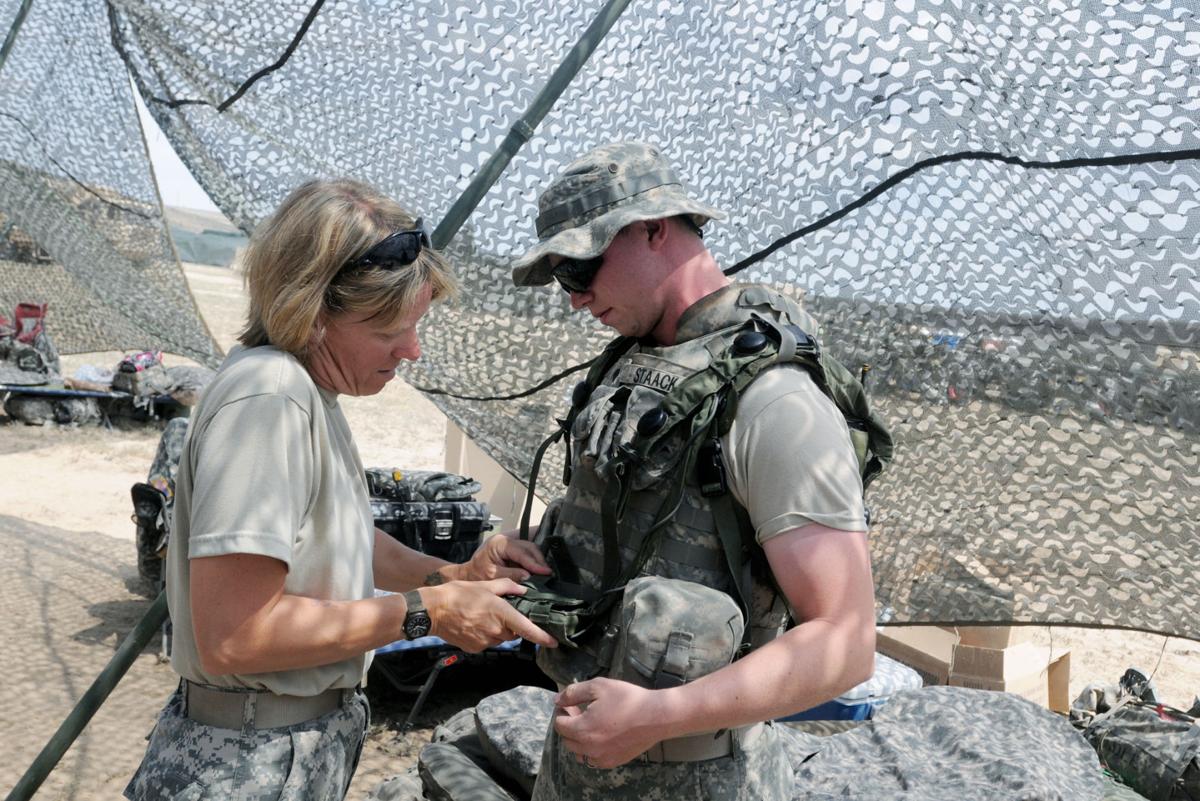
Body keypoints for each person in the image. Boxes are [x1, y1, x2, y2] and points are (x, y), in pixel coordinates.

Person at [124, 179, 557, 801]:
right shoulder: (269, 399)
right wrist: (424, 614)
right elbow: (235, 636)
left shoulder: (302, 388)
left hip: (282, 748)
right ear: (315, 313)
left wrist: (451, 575)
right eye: (390, 333)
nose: (411, 350)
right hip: (246, 767)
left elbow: (341, 532)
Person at [509, 142, 877, 800]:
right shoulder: (628, 365)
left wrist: (656, 716)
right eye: (563, 277)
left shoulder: (775, 402)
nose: (575, 299)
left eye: (581, 269)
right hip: (580, 754)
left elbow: (845, 642)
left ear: (654, 228)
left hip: (698, 773)